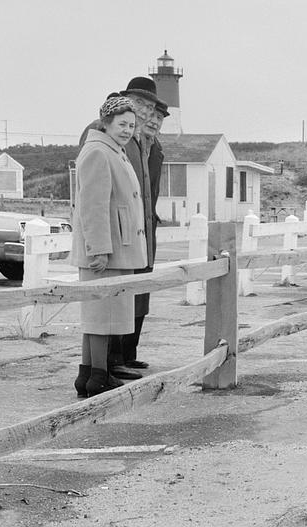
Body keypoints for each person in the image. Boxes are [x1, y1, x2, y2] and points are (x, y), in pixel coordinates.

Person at [70, 96, 147, 397]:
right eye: (122, 124)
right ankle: (98, 376)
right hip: (106, 250)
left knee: (99, 315)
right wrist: (98, 249)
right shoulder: (98, 152)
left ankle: (88, 374)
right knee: (100, 316)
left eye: (131, 125)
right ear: (106, 123)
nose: (127, 130)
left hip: (116, 245)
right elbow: (93, 206)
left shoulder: (113, 150)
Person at [119, 97, 168, 368]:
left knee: (142, 293)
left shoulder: (154, 147)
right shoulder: (128, 143)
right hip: (130, 229)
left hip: (147, 228)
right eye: (149, 114)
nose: (154, 121)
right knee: (127, 292)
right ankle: (119, 357)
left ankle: (130, 354)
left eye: (158, 118)